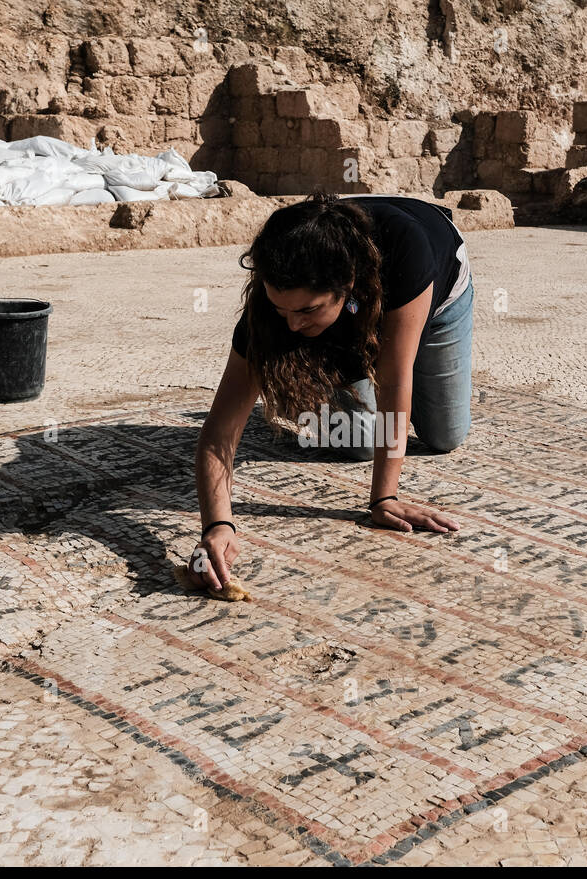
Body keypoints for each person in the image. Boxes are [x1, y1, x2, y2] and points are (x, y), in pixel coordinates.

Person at [189, 192, 475, 591]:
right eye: (281, 309)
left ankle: (355, 354)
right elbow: (219, 430)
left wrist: (384, 499)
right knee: (358, 442)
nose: (290, 326)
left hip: (438, 290)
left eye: (306, 310)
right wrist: (217, 526)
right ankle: (334, 361)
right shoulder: (276, 306)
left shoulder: (406, 251)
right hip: (348, 317)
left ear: (347, 284)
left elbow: (394, 381)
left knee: (444, 435)